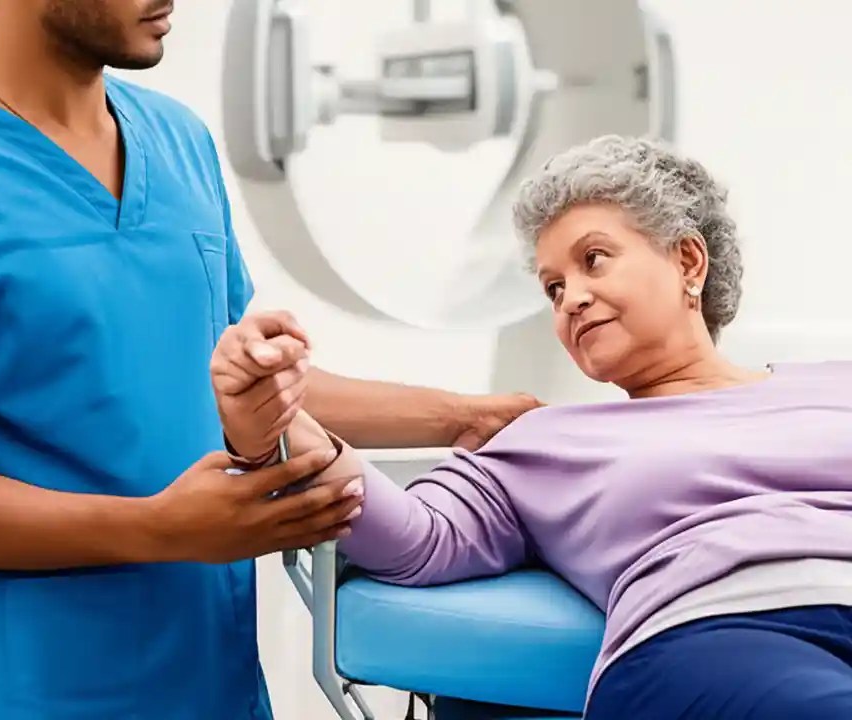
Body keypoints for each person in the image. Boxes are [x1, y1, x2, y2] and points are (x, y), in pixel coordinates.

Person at [0, 2, 539, 719]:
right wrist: (159, 528)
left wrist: (462, 417)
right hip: (20, 693)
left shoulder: (178, 140)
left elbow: (226, 385)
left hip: (212, 687)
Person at [214, 134, 852, 719]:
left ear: (687, 260)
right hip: (725, 632)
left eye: (594, 260)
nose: (571, 298)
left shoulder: (833, 384)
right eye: (553, 288)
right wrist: (275, 414)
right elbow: (416, 539)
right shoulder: (543, 441)